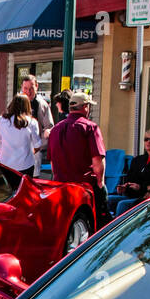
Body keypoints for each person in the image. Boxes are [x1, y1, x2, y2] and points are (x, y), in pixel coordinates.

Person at [48, 90, 109, 226]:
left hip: (62, 189)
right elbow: (98, 162)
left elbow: (53, 164)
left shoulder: (55, 129)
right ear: (85, 107)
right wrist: (100, 183)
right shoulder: (90, 128)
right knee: (96, 227)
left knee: (66, 226)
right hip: (85, 189)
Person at [0, 93, 40, 175]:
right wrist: (28, 153)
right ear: (27, 106)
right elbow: (37, 145)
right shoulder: (32, 122)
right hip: (25, 165)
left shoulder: (2, 119)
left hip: (4, 163)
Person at [20, 73, 54, 177]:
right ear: (22, 88)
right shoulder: (17, 103)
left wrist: (39, 145)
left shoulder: (42, 104)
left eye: (31, 88)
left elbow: (49, 126)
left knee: (32, 180)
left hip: (34, 151)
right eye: (25, 88)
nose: (28, 92)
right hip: (18, 149)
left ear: (36, 86)